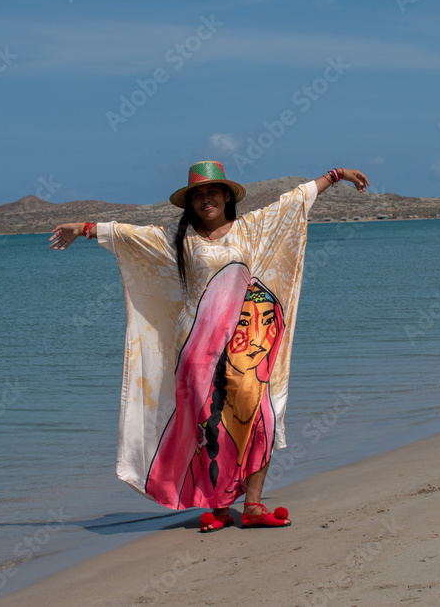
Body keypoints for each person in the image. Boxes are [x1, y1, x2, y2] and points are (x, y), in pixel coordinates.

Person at [49, 161, 369, 531]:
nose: (205, 200)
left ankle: (252, 505)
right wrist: (84, 228)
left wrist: (335, 176)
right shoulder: (178, 239)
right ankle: (218, 507)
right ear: (190, 203)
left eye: (211, 193)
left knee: (261, 415)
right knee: (209, 427)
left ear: (226, 196)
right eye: (198, 195)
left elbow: (292, 202)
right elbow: (129, 236)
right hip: (197, 352)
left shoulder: (250, 229)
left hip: (247, 347)